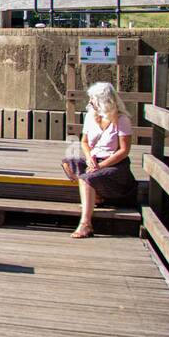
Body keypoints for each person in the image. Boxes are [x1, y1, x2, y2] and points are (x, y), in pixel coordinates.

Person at [60, 81, 137, 239]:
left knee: (86, 178)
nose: (90, 102)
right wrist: (90, 159)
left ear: (104, 101)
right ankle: (97, 196)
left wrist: (101, 165)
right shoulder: (90, 116)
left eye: (93, 99)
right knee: (68, 162)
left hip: (115, 163)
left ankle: (86, 223)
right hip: (94, 159)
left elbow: (124, 150)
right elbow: (84, 142)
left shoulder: (121, 120)